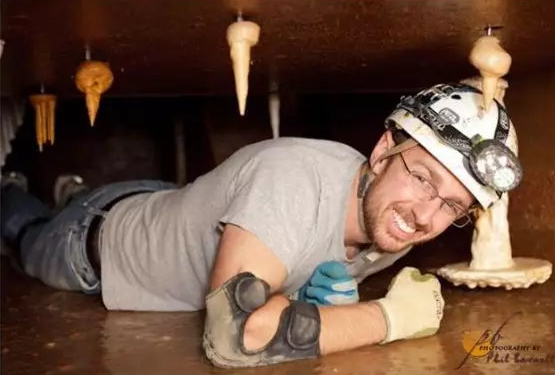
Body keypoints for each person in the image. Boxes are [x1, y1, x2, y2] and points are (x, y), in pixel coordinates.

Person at [1, 81, 522, 368]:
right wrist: (388, 318)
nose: (426, 217)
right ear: (384, 149)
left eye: (454, 207)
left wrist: (314, 304)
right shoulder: (291, 178)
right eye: (425, 179)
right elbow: (235, 337)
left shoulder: (395, 211)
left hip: (179, 206)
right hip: (96, 245)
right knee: (22, 234)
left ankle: (72, 193)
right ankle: (21, 194)